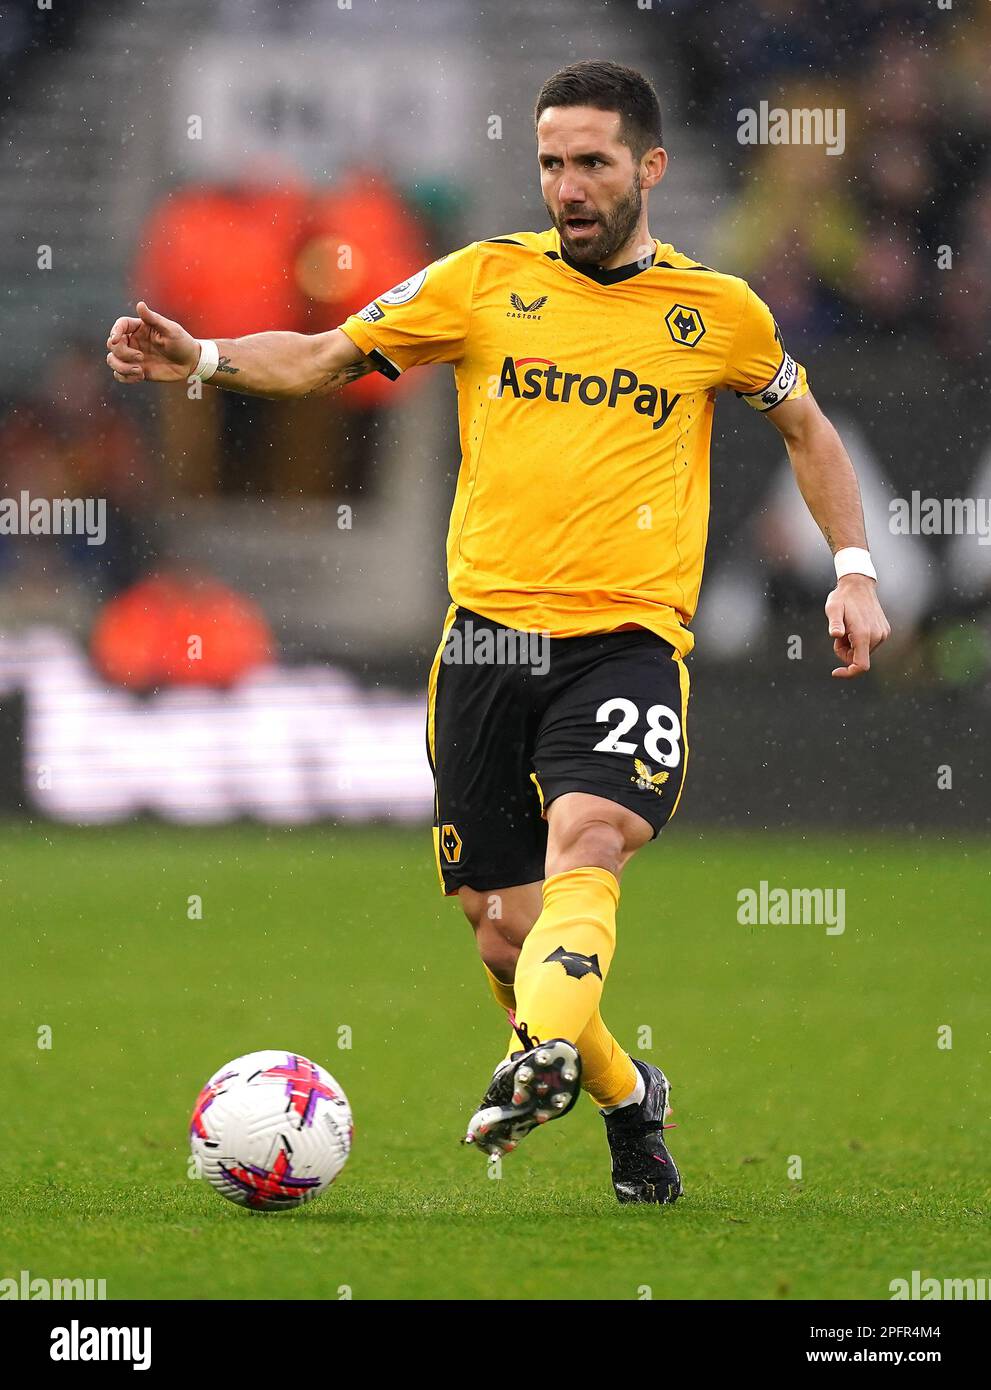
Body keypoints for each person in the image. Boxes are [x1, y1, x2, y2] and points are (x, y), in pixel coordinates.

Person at [106, 60, 890, 1205]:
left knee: (594, 829)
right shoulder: (480, 282)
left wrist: (855, 572)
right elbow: (327, 357)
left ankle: (537, 1059)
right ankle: (624, 1094)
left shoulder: (715, 312)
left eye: (592, 163)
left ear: (649, 169)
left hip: (624, 641)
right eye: (550, 163)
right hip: (482, 645)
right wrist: (211, 359)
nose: (568, 186)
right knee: (499, 932)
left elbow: (808, 429)